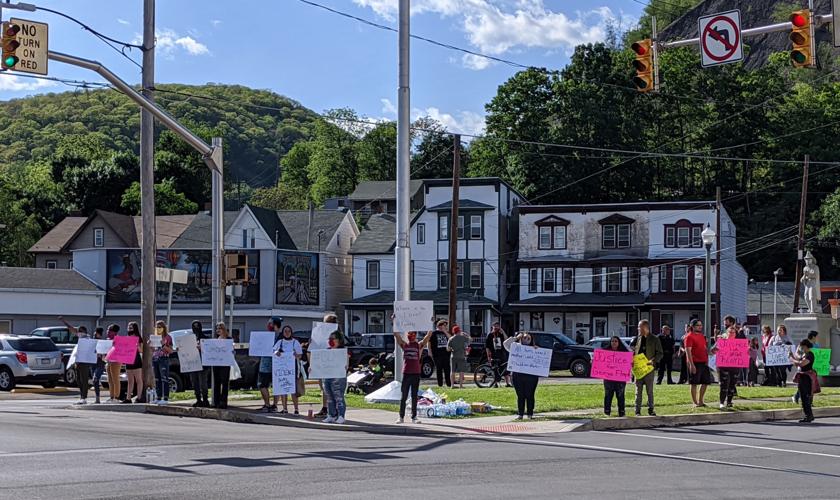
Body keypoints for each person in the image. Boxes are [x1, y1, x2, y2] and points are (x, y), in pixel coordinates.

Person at [392, 315, 433, 424]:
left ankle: (414, 417)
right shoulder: (404, 345)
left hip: (416, 373)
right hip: (407, 373)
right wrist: (394, 321)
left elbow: (428, 336)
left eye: (414, 334)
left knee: (414, 396)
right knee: (404, 396)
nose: (412, 335)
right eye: (410, 334)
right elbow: (396, 335)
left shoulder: (418, 346)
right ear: (408, 335)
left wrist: (430, 323)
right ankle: (401, 417)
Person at [504, 332, 541, 420]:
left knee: (530, 395)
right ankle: (520, 414)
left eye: (528, 338)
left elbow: (540, 360)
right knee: (520, 395)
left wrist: (537, 350)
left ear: (531, 340)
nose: (526, 340)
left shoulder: (534, 349)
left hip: (531, 376)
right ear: (521, 338)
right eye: (524, 338)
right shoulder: (515, 347)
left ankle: (530, 414)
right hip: (517, 375)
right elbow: (505, 344)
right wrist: (516, 338)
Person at [630, 320, 663, 417]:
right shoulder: (637, 339)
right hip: (638, 369)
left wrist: (654, 360)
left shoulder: (654, 339)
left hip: (649, 368)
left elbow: (660, 353)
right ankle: (637, 411)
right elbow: (634, 352)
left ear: (645, 327)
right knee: (638, 390)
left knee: (649, 391)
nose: (638, 329)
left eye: (639, 327)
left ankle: (651, 409)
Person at [59, 317, 92, 405]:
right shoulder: (80, 339)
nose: (78, 332)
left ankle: (84, 397)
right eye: (78, 331)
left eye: (80, 331)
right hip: (78, 362)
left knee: (84, 380)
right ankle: (82, 397)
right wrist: (64, 321)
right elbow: (71, 329)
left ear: (84, 332)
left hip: (84, 362)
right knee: (78, 380)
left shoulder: (88, 339)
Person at [273, 325, 303, 414]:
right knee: (283, 388)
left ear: (291, 332)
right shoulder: (280, 342)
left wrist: (296, 355)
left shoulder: (295, 342)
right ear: (282, 332)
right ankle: (285, 408)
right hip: (281, 369)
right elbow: (273, 351)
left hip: (293, 369)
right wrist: (276, 353)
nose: (287, 333)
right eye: (285, 331)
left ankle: (296, 409)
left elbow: (300, 355)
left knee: (293, 389)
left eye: (288, 331)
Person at [712, 325, 742, 410]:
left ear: (735, 334)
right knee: (724, 384)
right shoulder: (721, 341)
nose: (731, 334)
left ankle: (729, 402)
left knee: (732, 384)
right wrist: (715, 350)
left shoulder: (739, 343)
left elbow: (743, 354)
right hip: (723, 366)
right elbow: (712, 350)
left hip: (735, 366)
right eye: (730, 332)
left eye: (733, 332)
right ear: (727, 333)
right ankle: (721, 402)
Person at [315, 314, 339, 418]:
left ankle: (333, 408)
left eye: (326, 322)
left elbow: (339, 347)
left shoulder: (337, 334)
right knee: (324, 386)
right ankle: (325, 407)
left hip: (331, 362)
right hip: (322, 362)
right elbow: (316, 345)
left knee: (330, 387)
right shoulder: (319, 333)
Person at [322, 330, 349, 424]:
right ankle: (331, 415)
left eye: (333, 338)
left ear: (339, 340)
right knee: (329, 397)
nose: (331, 340)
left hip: (339, 377)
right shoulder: (327, 351)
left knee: (339, 397)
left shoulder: (343, 352)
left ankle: (341, 415)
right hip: (328, 377)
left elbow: (346, 364)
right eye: (330, 339)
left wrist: (345, 366)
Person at [684, 319, 711, 407]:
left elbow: (704, 349)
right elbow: (688, 351)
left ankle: (701, 401)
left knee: (705, 382)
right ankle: (695, 402)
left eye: (701, 325)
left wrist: (708, 359)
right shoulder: (689, 337)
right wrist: (691, 365)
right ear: (693, 326)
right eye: (698, 325)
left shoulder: (702, 336)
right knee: (694, 383)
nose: (700, 327)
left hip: (704, 362)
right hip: (695, 362)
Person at [789, 339, 817, 423]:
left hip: (806, 378)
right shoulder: (805, 354)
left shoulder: (810, 355)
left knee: (805, 397)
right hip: (802, 377)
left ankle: (808, 415)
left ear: (806, 346)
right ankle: (808, 415)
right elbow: (798, 361)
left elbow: (801, 363)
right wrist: (792, 356)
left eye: (802, 347)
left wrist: (792, 359)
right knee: (803, 397)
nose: (801, 348)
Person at [258, 317, 282, 413]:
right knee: (264, 385)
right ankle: (269, 405)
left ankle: (271, 405)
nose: (268, 325)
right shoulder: (266, 336)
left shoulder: (280, 337)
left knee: (269, 385)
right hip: (267, 363)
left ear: (275, 325)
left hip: (274, 364)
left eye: (270, 323)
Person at [793, 331, 821, 404]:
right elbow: (797, 354)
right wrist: (800, 358)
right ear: (813, 337)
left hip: (811, 368)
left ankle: (809, 402)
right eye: (816, 337)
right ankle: (798, 397)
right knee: (803, 385)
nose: (817, 338)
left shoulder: (816, 345)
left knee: (810, 386)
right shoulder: (803, 344)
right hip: (803, 368)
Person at [603, 336, 628, 417]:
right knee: (608, 395)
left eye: (616, 341)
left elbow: (628, 363)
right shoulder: (605, 352)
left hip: (620, 379)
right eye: (612, 341)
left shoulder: (624, 352)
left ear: (619, 343)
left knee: (620, 395)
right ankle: (607, 412)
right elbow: (600, 363)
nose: (614, 343)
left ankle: (621, 412)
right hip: (608, 378)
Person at [189, 320, 210, 408]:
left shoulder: (205, 338)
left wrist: (202, 348)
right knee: (194, 382)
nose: (196, 329)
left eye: (197, 327)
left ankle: (205, 400)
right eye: (194, 327)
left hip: (203, 364)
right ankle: (198, 400)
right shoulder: (189, 339)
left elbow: (209, 350)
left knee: (203, 383)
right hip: (193, 363)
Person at [152, 320, 174, 405]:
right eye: (157, 327)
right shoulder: (155, 337)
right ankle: (158, 397)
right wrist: (150, 344)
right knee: (157, 379)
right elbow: (154, 350)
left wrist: (163, 345)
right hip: (155, 358)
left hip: (164, 359)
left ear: (164, 328)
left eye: (160, 327)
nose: (158, 328)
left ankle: (165, 398)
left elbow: (171, 350)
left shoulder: (168, 337)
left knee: (164, 378)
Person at [212, 322, 232, 409]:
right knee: (216, 382)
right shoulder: (215, 340)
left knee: (224, 383)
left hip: (225, 364)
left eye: (219, 328)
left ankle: (223, 402)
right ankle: (216, 402)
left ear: (223, 329)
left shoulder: (229, 339)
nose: (218, 330)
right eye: (217, 329)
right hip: (216, 364)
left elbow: (231, 349)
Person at [485, 322, 510, 387]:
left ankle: (507, 383)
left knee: (505, 368)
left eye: (497, 326)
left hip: (502, 354)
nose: (496, 327)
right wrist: (488, 356)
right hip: (493, 354)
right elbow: (487, 347)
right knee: (495, 369)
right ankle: (495, 383)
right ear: (492, 327)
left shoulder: (501, 334)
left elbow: (507, 339)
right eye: (495, 326)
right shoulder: (490, 335)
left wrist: (503, 331)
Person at [123, 322, 143, 404]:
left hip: (136, 360)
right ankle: (128, 398)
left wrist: (137, 345)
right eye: (128, 327)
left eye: (131, 327)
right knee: (130, 380)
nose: (129, 329)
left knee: (138, 380)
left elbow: (141, 350)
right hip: (128, 360)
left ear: (135, 328)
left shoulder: (138, 338)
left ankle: (139, 397)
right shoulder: (126, 338)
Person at [429, 319, 452, 387]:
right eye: (444, 325)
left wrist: (445, 332)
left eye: (446, 325)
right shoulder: (434, 333)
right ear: (440, 326)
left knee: (447, 369)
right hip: (437, 354)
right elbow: (429, 342)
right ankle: (440, 384)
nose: (445, 327)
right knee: (439, 369)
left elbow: (451, 339)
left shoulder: (446, 333)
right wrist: (429, 351)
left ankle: (449, 384)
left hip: (446, 354)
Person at [447, 324, 469, 389]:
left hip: (453, 356)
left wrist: (452, 349)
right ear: (459, 331)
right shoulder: (463, 337)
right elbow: (470, 339)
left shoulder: (451, 338)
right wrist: (466, 334)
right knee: (461, 371)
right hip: (461, 356)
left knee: (452, 371)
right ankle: (461, 385)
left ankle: (452, 385)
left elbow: (448, 349)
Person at [105, 324, 122, 403]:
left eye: (109, 330)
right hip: (108, 361)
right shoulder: (108, 340)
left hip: (116, 361)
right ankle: (111, 397)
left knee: (115, 379)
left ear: (114, 332)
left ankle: (117, 397)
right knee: (110, 380)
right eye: (107, 330)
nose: (107, 332)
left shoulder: (118, 339)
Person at [91, 327, 106, 404]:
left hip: (100, 364)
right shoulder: (92, 342)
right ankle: (97, 398)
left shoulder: (102, 343)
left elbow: (105, 354)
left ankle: (98, 399)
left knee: (95, 379)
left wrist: (101, 354)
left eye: (96, 334)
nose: (94, 335)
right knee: (94, 381)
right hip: (93, 364)